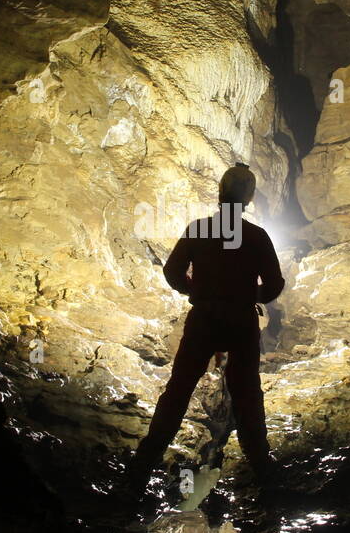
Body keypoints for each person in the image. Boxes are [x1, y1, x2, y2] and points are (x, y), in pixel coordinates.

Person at [115, 163, 286, 514]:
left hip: (204, 319)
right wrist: (248, 294)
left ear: (220, 194)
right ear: (250, 198)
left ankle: (135, 479)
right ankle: (268, 482)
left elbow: (171, 271)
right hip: (240, 322)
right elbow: (275, 285)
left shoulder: (199, 230)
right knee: (248, 398)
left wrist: (199, 291)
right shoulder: (256, 237)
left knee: (177, 393)